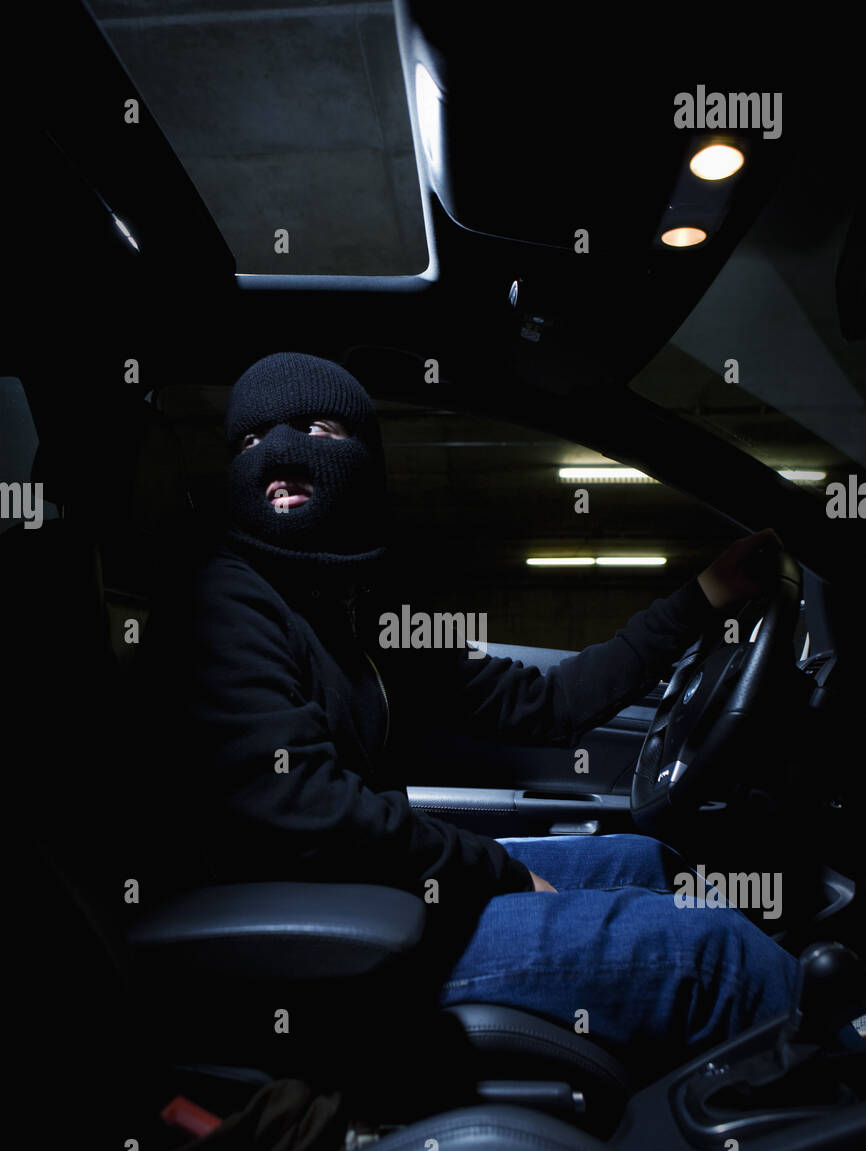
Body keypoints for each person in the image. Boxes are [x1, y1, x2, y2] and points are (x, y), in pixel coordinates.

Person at [138, 350, 803, 1082]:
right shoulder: (225, 601)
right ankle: (819, 1102)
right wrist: (502, 873)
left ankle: (725, 1088)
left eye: (316, 428)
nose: (279, 454)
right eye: (250, 440)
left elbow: (543, 703)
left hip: (363, 893)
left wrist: (701, 598)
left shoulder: (357, 608)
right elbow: (303, 809)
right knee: (712, 954)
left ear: (366, 458)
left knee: (643, 861)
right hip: (311, 940)